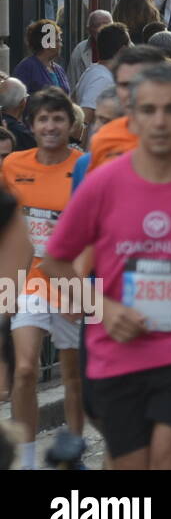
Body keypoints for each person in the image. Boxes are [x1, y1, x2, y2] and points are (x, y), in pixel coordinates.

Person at [41, 63, 171, 469]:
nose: (160, 121)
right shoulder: (104, 183)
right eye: (149, 110)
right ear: (134, 118)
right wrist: (104, 307)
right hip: (118, 353)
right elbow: (55, 260)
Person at [3, 88, 84, 469]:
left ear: (71, 124)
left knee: (72, 375)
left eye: (58, 119)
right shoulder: (13, 166)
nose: (51, 126)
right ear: (31, 125)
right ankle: (28, 459)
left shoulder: (85, 167)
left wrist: (81, 290)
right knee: (24, 369)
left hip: (73, 281)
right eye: (43, 119)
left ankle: (74, 452)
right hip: (28, 282)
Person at [73, 22, 130, 127]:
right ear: (123, 50)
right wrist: (76, 143)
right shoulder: (102, 79)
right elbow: (84, 120)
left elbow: (73, 102)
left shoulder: (93, 71)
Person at [13, 19, 69, 95]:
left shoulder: (59, 69)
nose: (61, 45)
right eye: (58, 40)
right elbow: (17, 99)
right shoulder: (26, 68)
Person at [67, 10, 113, 92]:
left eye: (106, 25)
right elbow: (72, 82)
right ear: (89, 29)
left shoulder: (125, 47)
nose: (101, 29)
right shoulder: (79, 51)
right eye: (97, 25)